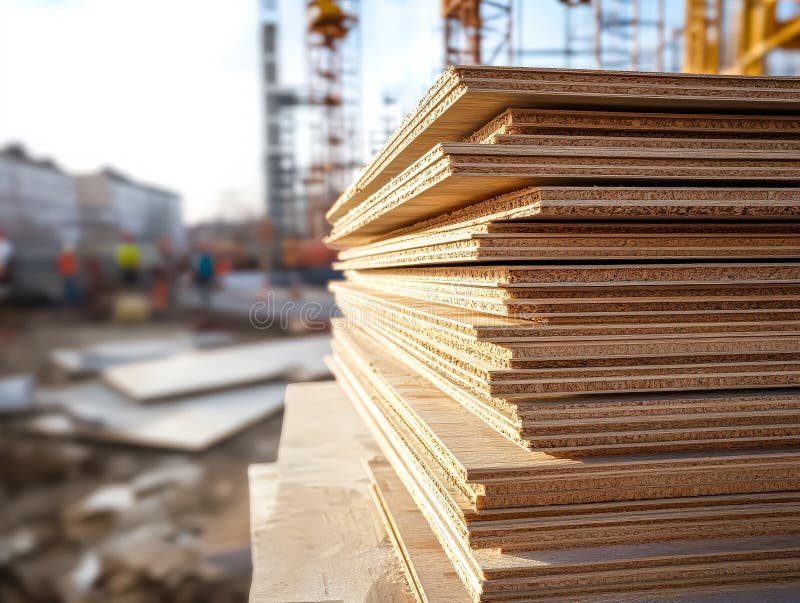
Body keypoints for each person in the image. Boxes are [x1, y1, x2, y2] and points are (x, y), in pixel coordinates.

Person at [194, 244, 216, 309]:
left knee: (206, 290)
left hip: (206, 276)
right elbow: (198, 267)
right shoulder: (201, 258)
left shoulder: (207, 258)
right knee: (203, 290)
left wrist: (212, 275)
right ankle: (204, 303)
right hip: (202, 276)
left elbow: (211, 268)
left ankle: (206, 303)